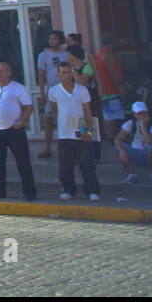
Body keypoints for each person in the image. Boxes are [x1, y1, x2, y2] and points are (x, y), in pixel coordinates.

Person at [46, 62, 100, 200]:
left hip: (81, 129)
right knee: (65, 165)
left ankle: (92, 190)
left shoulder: (82, 90)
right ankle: (68, 190)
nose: (66, 75)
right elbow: (55, 110)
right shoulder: (53, 91)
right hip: (64, 133)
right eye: (63, 73)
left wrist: (89, 130)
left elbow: (87, 111)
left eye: (69, 72)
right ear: (58, 74)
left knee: (86, 162)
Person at [0, 61, 36, 200]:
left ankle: (29, 192)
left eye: (2, 72)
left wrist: (21, 122)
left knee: (22, 161)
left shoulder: (18, 88)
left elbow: (29, 107)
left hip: (14, 130)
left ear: (9, 72)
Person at [36, 30, 71, 158]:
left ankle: (69, 148)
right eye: (50, 39)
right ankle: (47, 148)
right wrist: (42, 93)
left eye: (55, 39)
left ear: (60, 40)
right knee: (49, 120)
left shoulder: (66, 54)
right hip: (51, 92)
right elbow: (41, 74)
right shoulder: (43, 55)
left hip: (65, 91)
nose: (52, 41)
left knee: (67, 120)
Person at [114, 101, 152, 185]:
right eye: (139, 113)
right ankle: (132, 174)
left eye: (144, 113)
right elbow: (118, 139)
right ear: (134, 115)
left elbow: (149, 141)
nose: (142, 116)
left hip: (150, 154)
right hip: (135, 153)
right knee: (119, 147)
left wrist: (143, 125)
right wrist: (122, 152)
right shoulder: (130, 124)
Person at [95, 35, 126, 138]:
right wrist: (121, 86)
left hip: (106, 89)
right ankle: (114, 138)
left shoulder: (101, 53)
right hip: (111, 89)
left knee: (109, 115)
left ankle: (112, 137)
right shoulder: (108, 54)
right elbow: (113, 72)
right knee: (113, 116)